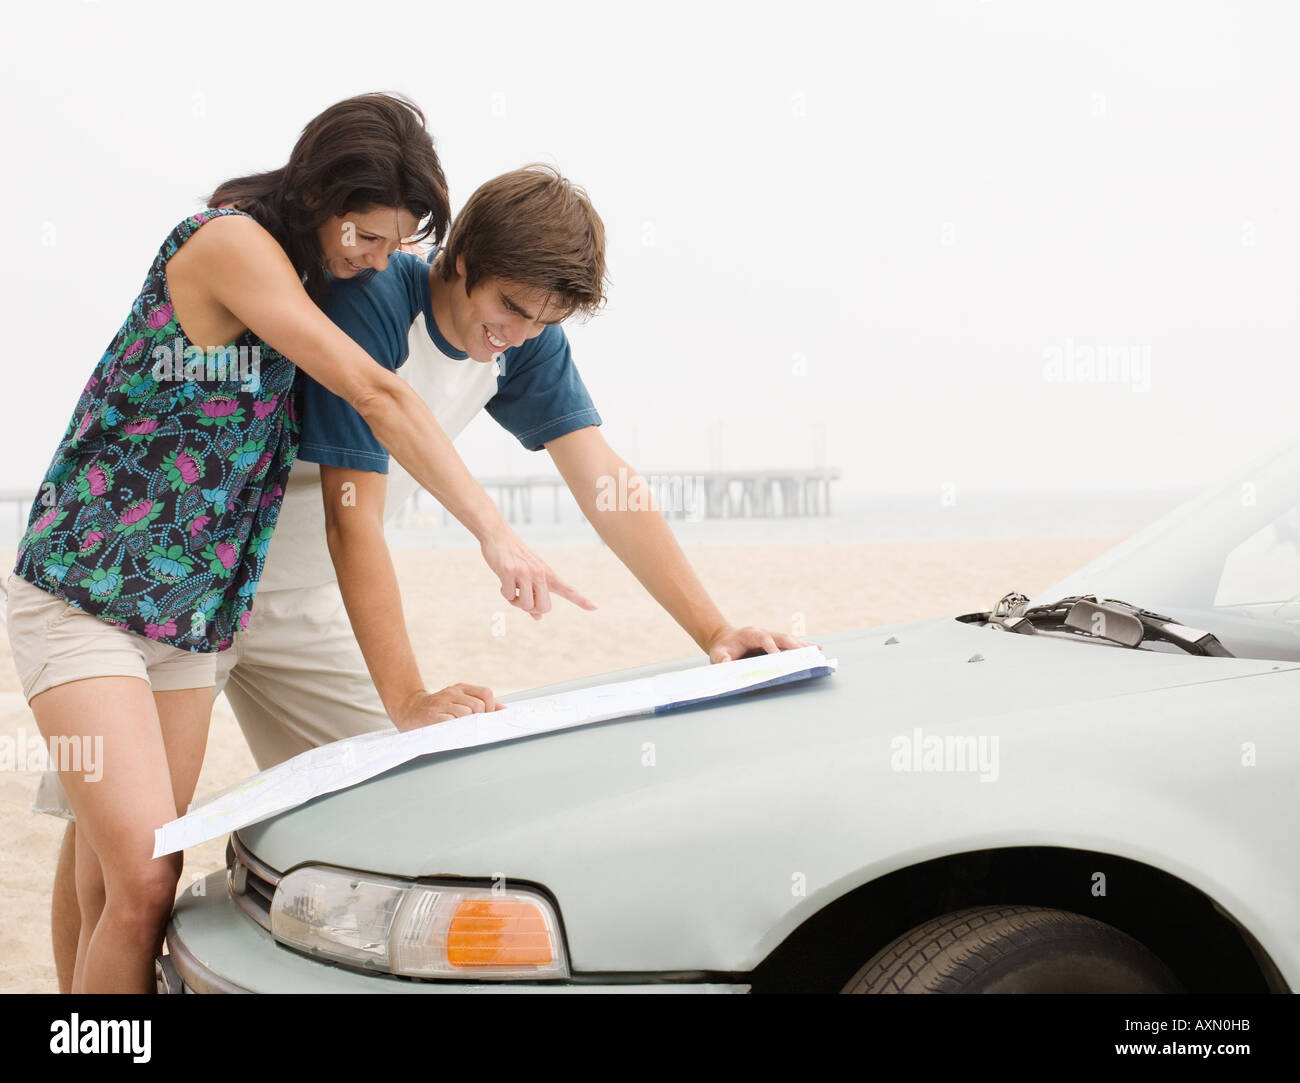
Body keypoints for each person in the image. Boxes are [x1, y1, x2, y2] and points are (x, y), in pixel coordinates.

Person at [36, 164, 807, 991]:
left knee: (400, 811)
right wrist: (408, 693)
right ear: (462, 258)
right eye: (510, 305)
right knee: (117, 862)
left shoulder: (526, 341)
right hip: (186, 590)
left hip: (299, 611)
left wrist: (713, 630)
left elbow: (601, 478)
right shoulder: (375, 297)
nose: (518, 331)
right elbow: (350, 521)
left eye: (545, 317)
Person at [9, 97, 586, 994]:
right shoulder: (229, 244)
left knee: (110, 879)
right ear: (318, 188)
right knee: (143, 878)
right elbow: (378, 394)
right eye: (365, 233)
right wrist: (496, 534)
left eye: (395, 244)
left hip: (190, 617)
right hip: (87, 590)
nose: (374, 260)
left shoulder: (320, 281)